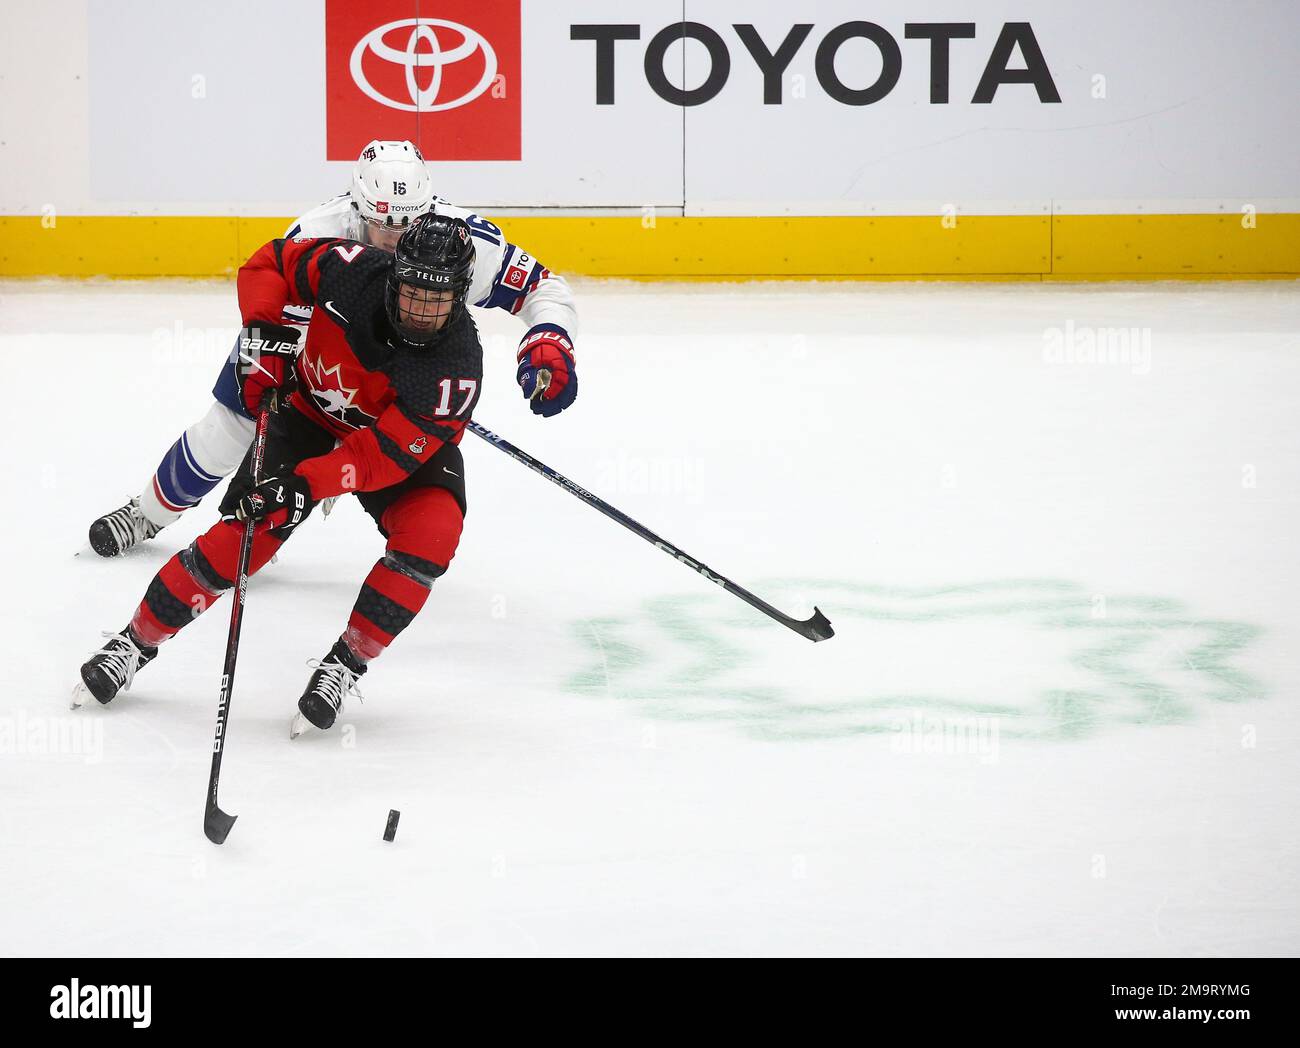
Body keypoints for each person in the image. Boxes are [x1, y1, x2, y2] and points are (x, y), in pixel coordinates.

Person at [75, 214, 574, 733]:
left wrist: (306, 485)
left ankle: (345, 663)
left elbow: (376, 458)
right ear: (393, 275)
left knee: (432, 534)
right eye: (412, 293)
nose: (422, 311)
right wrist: (265, 327)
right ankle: (134, 644)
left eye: (438, 299)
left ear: (461, 296)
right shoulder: (349, 269)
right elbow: (269, 262)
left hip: (382, 444)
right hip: (308, 412)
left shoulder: (457, 368)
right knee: (247, 535)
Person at [88, 139, 578, 556]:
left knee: (395, 472)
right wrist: (266, 356)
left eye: (409, 224)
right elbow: (272, 290)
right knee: (230, 425)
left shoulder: (458, 242)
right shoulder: (319, 232)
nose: (397, 240)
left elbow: (544, 290)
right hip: (316, 359)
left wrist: (548, 340)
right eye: (384, 225)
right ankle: (147, 513)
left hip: (397, 377)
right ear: (357, 210)